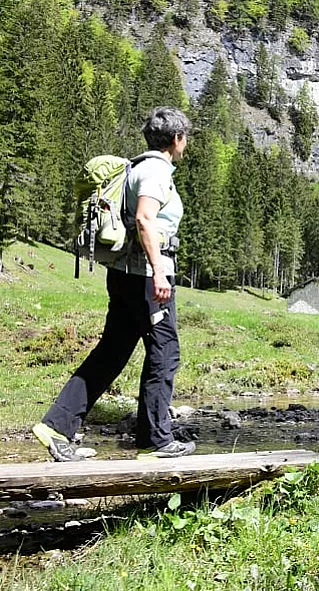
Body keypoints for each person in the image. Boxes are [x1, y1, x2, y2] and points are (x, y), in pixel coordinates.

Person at [33, 107, 196, 461]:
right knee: (165, 352)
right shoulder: (155, 171)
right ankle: (155, 441)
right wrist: (159, 271)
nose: (186, 144)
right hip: (144, 278)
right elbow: (144, 219)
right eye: (186, 138)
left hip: (123, 275)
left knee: (111, 353)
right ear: (177, 139)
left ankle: (57, 426)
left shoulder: (137, 166)